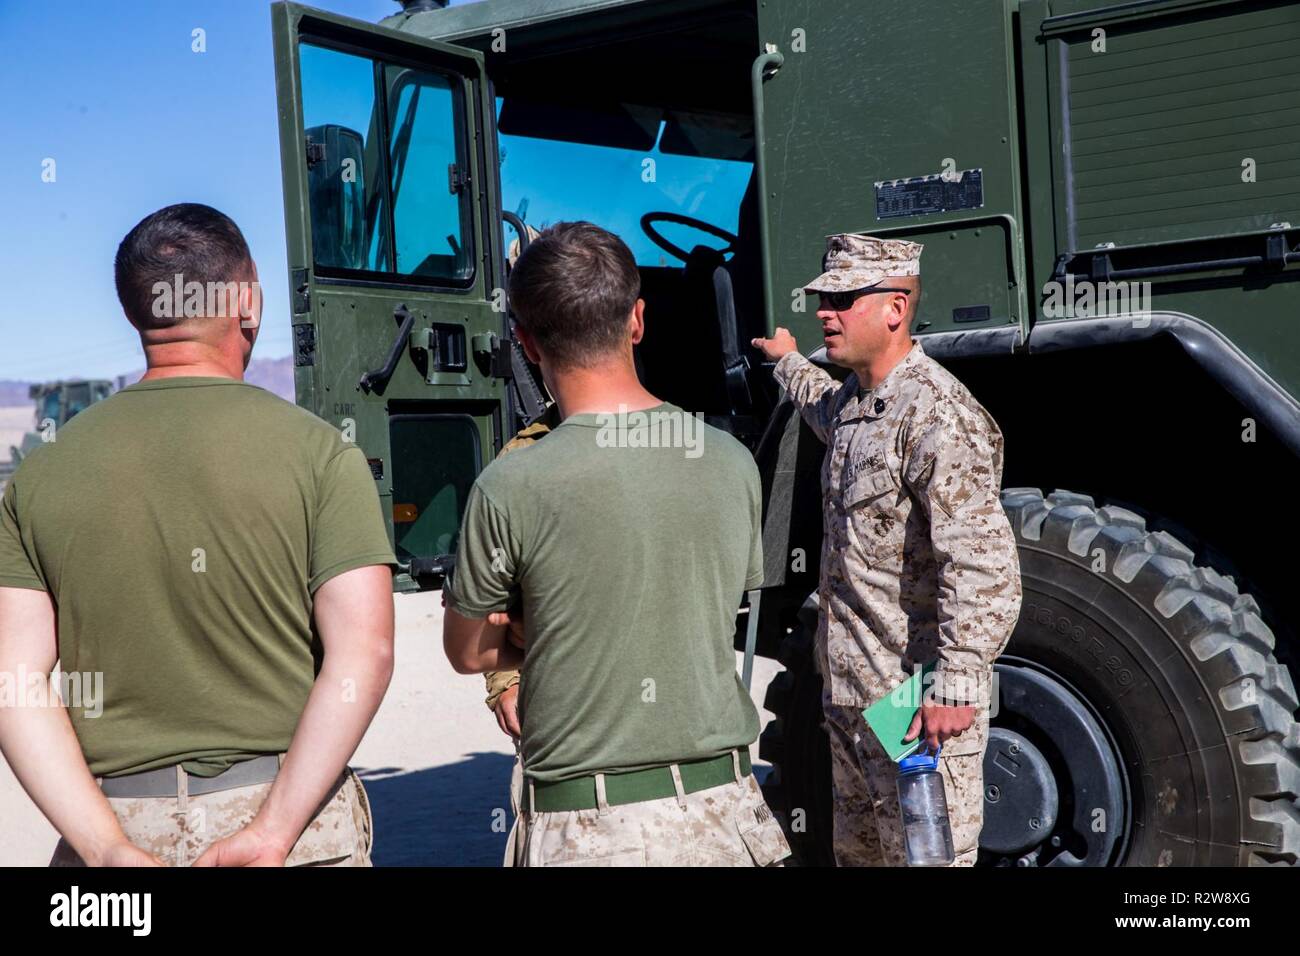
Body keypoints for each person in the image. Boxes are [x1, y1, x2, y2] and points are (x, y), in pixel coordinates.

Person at [0, 203, 396, 867]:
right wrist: (272, 833)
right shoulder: (323, 456)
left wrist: (105, 849)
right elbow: (366, 654)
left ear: (134, 312)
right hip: (287, 824)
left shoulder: (38, 479)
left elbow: (15, 681)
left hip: (118, 823)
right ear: (247, 300)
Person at [441, 221, 790, 867]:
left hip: (589, 828)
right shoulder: (730, 460)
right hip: (726, 815)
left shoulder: (509, 485)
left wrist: (526, 622)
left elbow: (467, 652)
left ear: (525, 339)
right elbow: (707, 606)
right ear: (637, 320)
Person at [752, 233, 1022, 866]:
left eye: (844, 299)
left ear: (895, 309)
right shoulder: (854, 402)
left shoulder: (937, 414)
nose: (826, 311)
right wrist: (786, 359)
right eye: (826, 298)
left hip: (913, 707)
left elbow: (983, 562)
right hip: (853, 698)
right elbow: (819, 405)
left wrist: (956, 683)